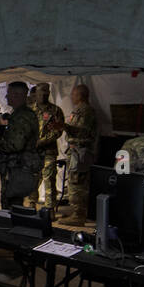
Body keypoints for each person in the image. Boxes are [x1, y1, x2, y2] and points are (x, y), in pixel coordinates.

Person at [0, 81, 41, 207]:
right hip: (17, 167)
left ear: (17, 95)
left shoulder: (22, 117)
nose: (6, 97)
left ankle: (10, 225)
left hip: (17, 168)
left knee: (11, 203)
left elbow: (16, 145)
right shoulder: (20, 114)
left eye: (9, 94)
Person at [59, 83, 97, 221]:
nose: (72, 97)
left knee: (78, 183)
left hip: (81, 152)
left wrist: (64, 126)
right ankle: (77, 211)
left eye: (74, 94)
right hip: (77, 152)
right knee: (75, 181)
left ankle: (78, 215)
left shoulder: (85, 111)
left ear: (80, 95)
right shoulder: (80, 110)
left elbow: (82, 131)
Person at [29, 83, 65, 211]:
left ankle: (49, 209)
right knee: (33, 179)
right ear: (36, 94)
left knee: (49, 179)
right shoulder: (30, 110)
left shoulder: (55, 111)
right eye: (40, 93)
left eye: (46, 93)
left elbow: (58, 131)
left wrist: (42, 141)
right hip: (33, 152)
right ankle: (31, 204)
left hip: (49, 151)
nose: (43, 95)